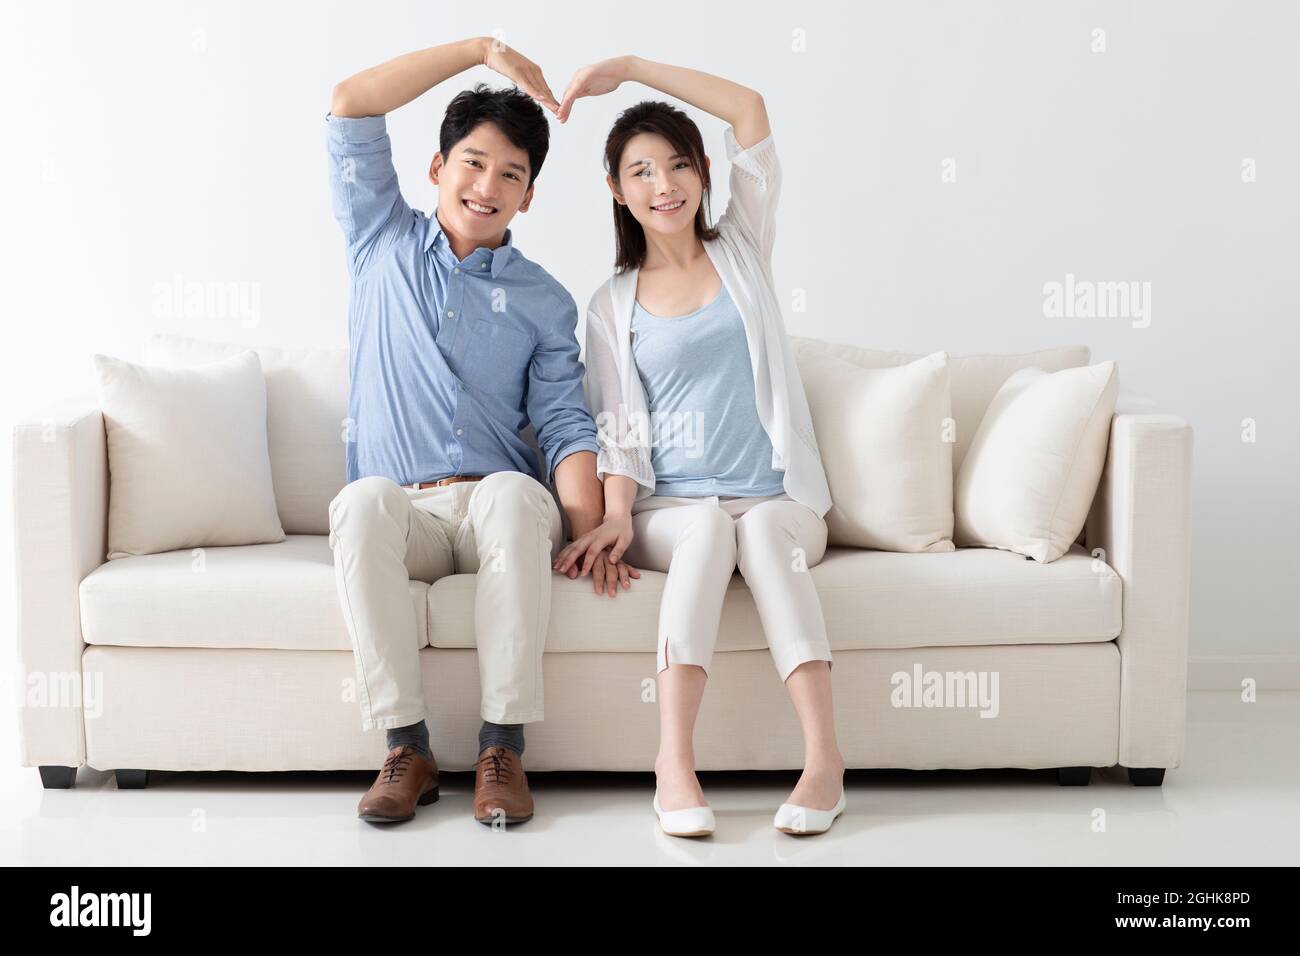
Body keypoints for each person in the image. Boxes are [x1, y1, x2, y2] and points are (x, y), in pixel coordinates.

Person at [325, 36, 637, 826]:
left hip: (501, 508)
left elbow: (565, 422)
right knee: (359, 502)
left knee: (505, 490)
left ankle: (503, 746)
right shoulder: (379, 243)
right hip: (407, 514)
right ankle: (407, 746)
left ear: (528, 197)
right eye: (472, 162)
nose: (487, 185)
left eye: (511, 174)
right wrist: (480, 51)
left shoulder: (544, 300)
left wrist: (592, 525)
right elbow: (351, 101)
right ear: (437, 170)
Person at [553, 55, 848, 836]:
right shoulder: (610, 305)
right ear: (617, 190)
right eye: (641, 171)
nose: (664, 184)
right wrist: (615, 516)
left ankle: (824, 763)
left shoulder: (742, 249)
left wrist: (632, 69)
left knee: (756, 532)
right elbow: (615, 423)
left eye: (678, 164)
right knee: (715, 526)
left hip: (779, 498)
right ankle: (673, 764)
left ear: (703, 170)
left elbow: (750, 109)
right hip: (673, 509)